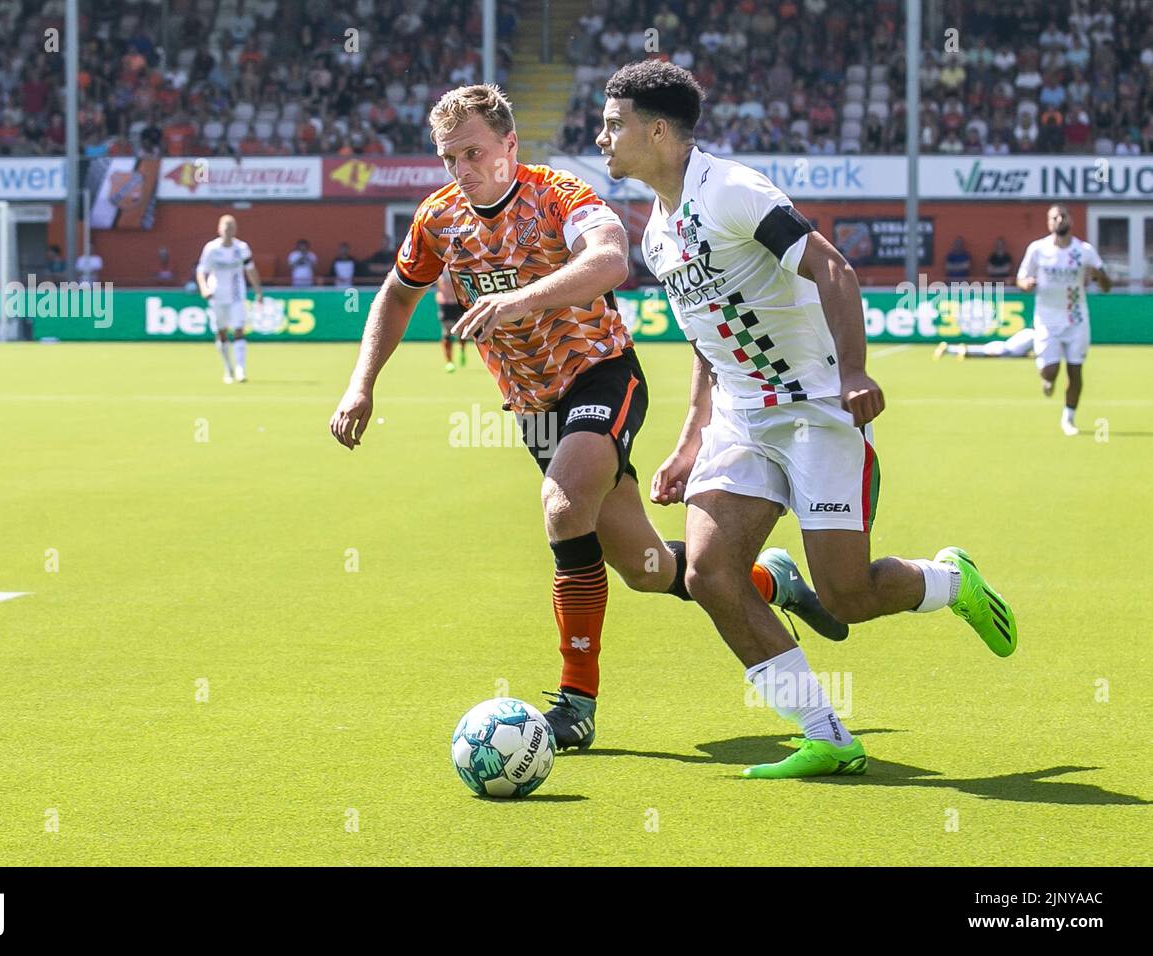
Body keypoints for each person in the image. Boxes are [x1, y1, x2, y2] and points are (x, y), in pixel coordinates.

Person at [330, 83, 845, 751]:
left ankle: (576, 704)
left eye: (473, 152)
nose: (460, 168)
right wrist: (360, 384)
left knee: (563, 506)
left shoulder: (558, 194)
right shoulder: (438, 219)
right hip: (532, 405)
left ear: (510, 145)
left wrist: (519, 301)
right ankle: (770, 580)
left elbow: (608, 259)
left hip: (602, 375)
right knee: (647, 568)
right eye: (448, 157)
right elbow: (397, 296)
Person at [597, 60, 1017, 779]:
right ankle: (827, 735)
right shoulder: (656, 235)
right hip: (742, 420)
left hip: (816, 412)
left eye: (614, 125)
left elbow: (834, 269)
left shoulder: (731, 191)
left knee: (846, 598)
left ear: (658, 130)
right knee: (706, 574)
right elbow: (706, 337)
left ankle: (951, 581)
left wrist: (853, 371)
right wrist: (692, 434)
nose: (601, 138)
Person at [1016, 205, 1112, 435]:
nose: (1059, 219)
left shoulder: (1084, 251)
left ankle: (1068, 418)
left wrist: (1099, 277)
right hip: (1047, 319)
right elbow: (1021, 278)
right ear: (1049, 223)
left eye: (1063, 216)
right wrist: (1026, 284)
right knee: (1050, 371)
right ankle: (1047, 380)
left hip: (1075, 318)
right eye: (1054, 217)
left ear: (1071, 220)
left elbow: (1107, 286)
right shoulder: (1038, 249)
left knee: (1075, 371)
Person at [197, 214, 263, 384]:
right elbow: (201, 271)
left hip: (236, 295)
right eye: (226, 229)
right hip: (217, 295)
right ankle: (228, 368)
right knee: (221, 333)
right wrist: (204, 287)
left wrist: (258, 291)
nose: (228, 232)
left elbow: (250, 270)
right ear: (219, 230)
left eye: (232, 228)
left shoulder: (242, 248)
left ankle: (241, 369)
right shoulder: (211, 249)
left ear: (235, 230)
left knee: (239, 329)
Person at [434, 268, 468, 371]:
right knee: (446, 333)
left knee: (462, 333)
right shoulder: (439, 268)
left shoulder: (458, 266)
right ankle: (449, 362)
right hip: (445, 304)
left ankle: (461, 349)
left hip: (458, 303)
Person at [934, 326, 1036, 360]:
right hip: (1003, 349)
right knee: (976, 352)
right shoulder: (1035, 335)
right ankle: (948, 348)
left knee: (976, 353)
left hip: (1002, 346)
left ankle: (948, 349)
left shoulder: (1028, 331)